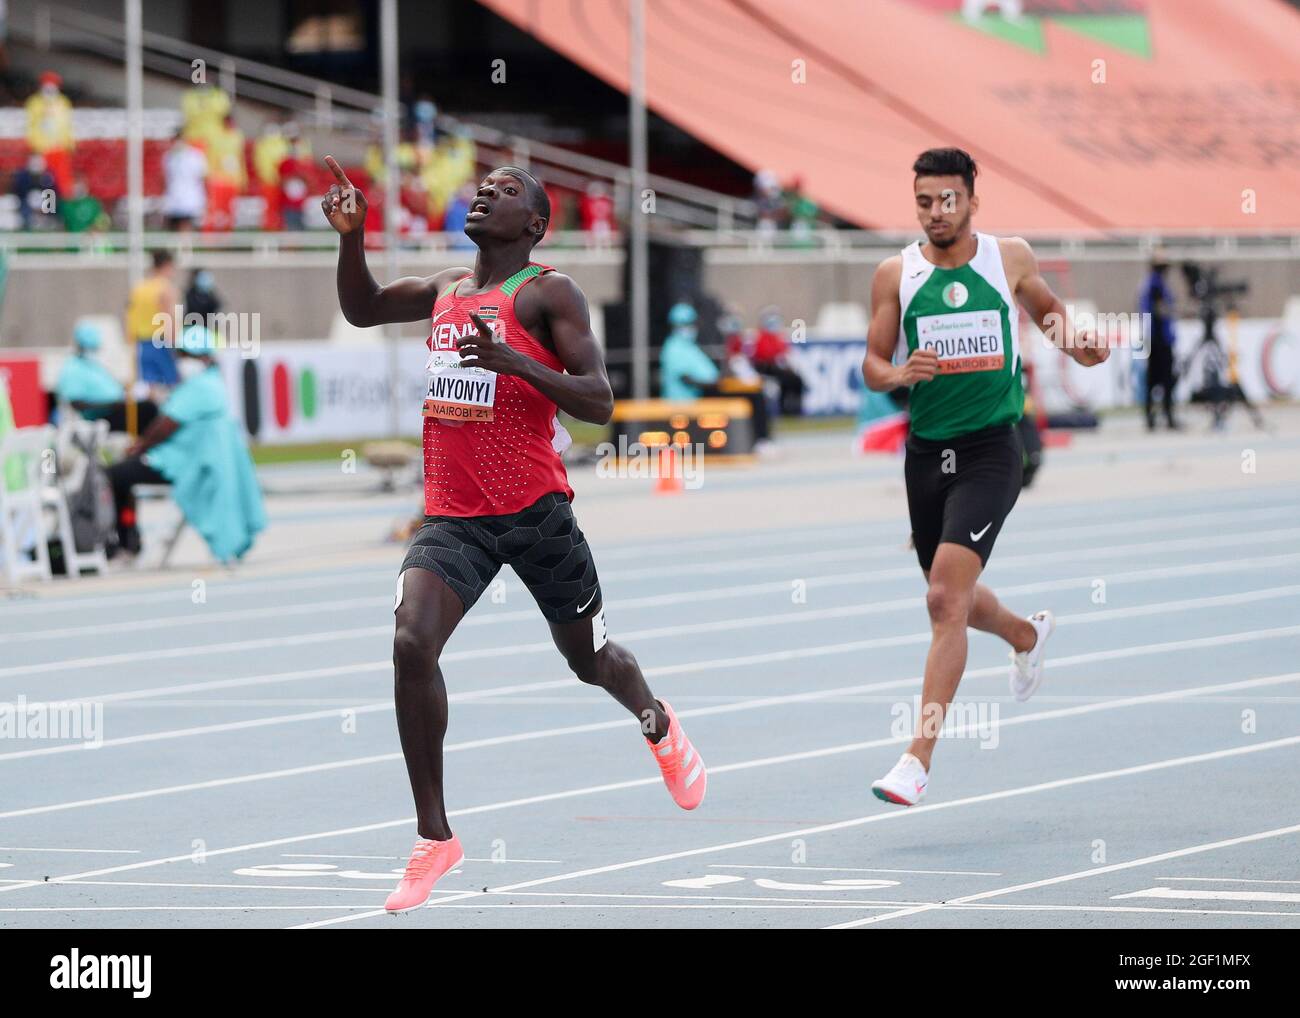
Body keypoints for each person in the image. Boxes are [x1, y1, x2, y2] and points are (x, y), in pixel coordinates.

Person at [322, 155, 708, 912]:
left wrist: (511, 363)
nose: (483, 195)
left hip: (536, 513)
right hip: (454, 518)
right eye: (481, 188)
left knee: (590, 659)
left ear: (532, 225)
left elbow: (599, 402)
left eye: (504, 193)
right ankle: (435, 836)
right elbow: (363, 308)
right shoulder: (444, 289)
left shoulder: (547, 293)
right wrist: (352, 236)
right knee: (409, 641)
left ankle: (658, 723)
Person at [862, 147, 1109, 806]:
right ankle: (1026, 634)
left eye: (948, 200)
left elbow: (1050, 315)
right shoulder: (896, 273)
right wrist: (901, 373)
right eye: (925, 201)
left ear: (973, 199)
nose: (937, 212)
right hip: (926, 456)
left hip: (993, 451)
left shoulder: (1010, 258)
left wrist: (1082, 346)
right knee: (957, 598)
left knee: (943, 598)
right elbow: (871, 365)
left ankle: (918, 759)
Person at [106, 325, 265, 561]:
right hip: (193, 459)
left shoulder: (200, 386)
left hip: (186, 465)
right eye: (181, 354)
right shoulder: (211, 383)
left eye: (186, 355)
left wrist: (139, 447)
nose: (181, 360)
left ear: (204, 355)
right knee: (123, 472)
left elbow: (166, 425)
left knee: (113, 475)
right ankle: (130, 538)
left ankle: (126, 540)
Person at [54, 322, 159, 433]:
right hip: (99, 417)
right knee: (147, 409)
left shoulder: (92, 365)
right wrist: (112, 404)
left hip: (116, 407)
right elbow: (76, 403)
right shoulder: (72, 368)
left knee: (153, 408)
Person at [126, 250, 181, 394]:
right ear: (167, 265)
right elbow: (168, 316)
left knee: (149, 388)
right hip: (160, 342)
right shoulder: (166, 288)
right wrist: (176, 344)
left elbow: (130, 316)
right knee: (173, 386)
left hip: (142, 343)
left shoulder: (139, 288)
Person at [1138, 251, 1179, 430]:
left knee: (1155, 381)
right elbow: (1158, 311)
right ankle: (1163, 417)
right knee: (1162, 381)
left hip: (1157, 338)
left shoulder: (1153, 284)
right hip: (1159, 340)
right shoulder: (1155, 285)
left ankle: (1153, 417)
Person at [25, 70, 74, 196]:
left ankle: (62, 210)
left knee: (63, 182)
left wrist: (69, 144)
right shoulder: (35, 103)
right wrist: (35, 148)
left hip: (60, 148)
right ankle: (47, 210)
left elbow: (67, 125)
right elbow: (31, 126)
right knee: (46, 182)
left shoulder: (62, 102)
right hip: (43, 149)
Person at [659, 302, 720, 400]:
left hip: (694, 404)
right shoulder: (673, 347)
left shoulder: (689, 346)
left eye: (691, 324)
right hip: (677, 407)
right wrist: (715, 383)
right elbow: (686, 378)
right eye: (685, 324)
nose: (690, 328)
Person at [752, 308, 806, 415]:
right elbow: (763, 356)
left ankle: (795, 409)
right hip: (766, 367)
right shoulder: (761, 337)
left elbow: (785, 353)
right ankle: (785, 410)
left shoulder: (778, 337)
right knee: (786, 379)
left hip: (778, 368)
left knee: (796, 380)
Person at [204, 114, 246, 232]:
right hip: (218, 179)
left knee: (230, 211)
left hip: (233, 180)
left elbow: (240, 158)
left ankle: (227, 238)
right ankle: (211, 240)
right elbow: (211, 156)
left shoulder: (237, 136)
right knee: (215, 210)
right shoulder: (215, 136)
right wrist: (209, 176)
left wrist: (242, 178)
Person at [161, 130, 207, 231]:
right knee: (172, 227)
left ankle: (185, 246)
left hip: (189, 198)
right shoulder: (168, 157)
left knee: (185, 226)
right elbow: (165, 179)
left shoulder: (195, 156)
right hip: (173, 198)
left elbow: (202, 177)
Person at [10, 153, 57, 231]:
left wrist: (45, 210)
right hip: (27, 207)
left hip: (44, 209)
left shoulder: (48, 177)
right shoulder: (23, 178)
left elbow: (52, 195)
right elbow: (19, 194)